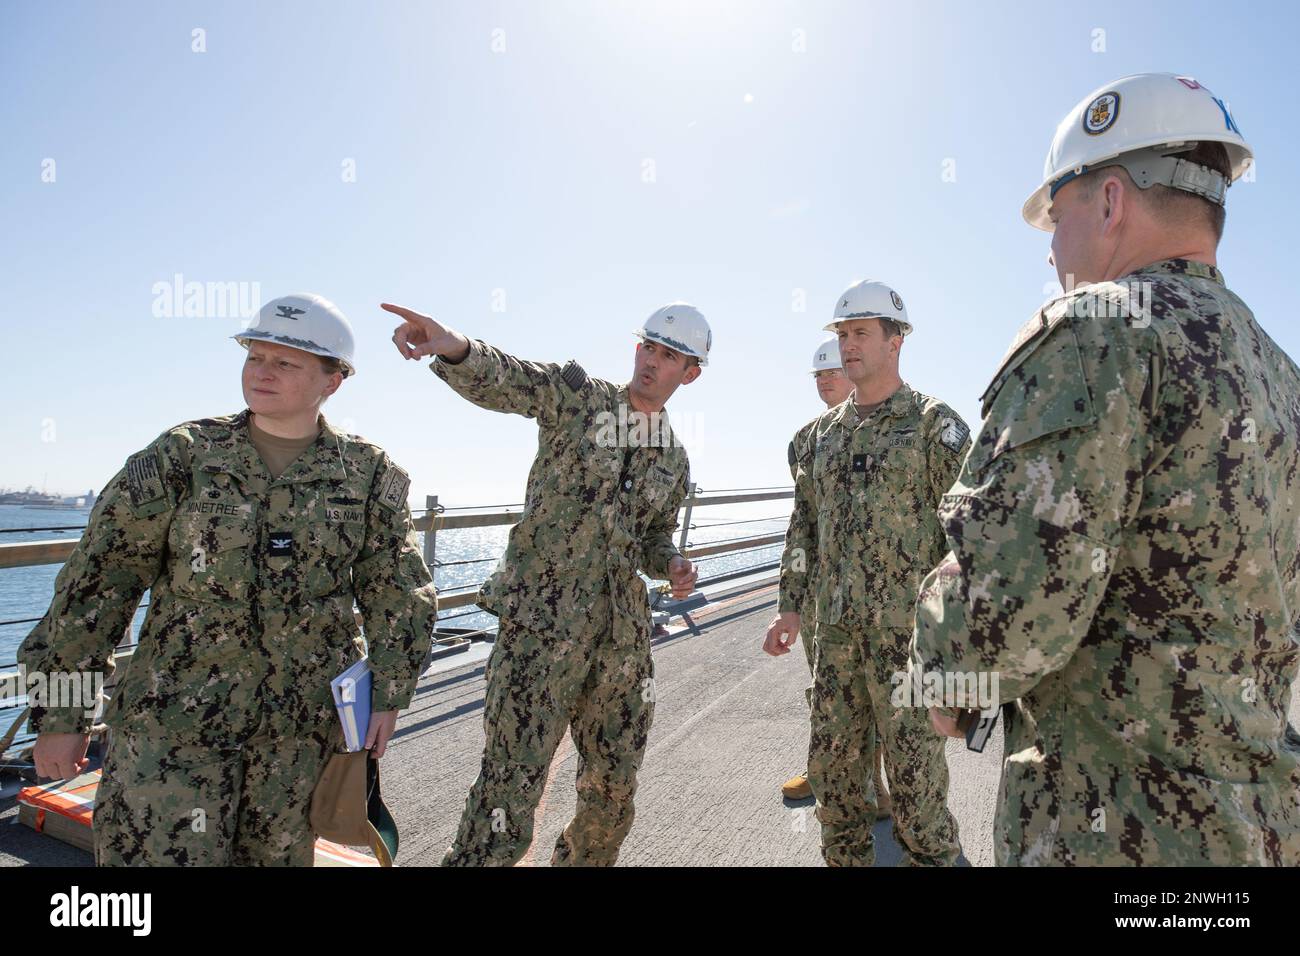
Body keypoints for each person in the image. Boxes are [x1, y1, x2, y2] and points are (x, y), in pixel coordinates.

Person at [911, 73, 1300, 865]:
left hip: (1115, 832)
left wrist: (940, 678)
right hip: (1259, 828)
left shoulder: (1098, 331)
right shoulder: (1278, 372)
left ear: (1112, 201)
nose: (1051, 247)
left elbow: (1000, 617)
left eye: (1058, 217)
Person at [18, 293, 437, 866]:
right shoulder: (182, 456)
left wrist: (390, 692)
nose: (262, 372)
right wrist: (62, 716)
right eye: (254, 357)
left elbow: (399, 591)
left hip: (296, 741)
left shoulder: (368, 474)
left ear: (333, 381)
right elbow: (96, 588)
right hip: (170, 736)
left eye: (285, 363)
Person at [382, 299, 706, 866]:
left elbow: (651, 538)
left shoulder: (673, 459)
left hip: (619, 641)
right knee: (509, 788)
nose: (652, 361)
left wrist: (671, 563)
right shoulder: (580, 400)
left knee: (614, 790)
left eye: (670, 356)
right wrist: (454, 346)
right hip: (540, 629)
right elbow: (513, 381)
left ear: (691, 373)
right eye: (648, 347)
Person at [765, 281, 967, 866]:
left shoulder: (935, 427)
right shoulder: (822, 437)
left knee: (917, 799)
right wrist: (789, 604)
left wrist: (959, 657)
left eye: (861, 334)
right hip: (837, 647)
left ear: (895, 340)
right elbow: (803, 528)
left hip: (910, 650)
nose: (848, 346)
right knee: (839, 794)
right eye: (842, 335)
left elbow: (971, 545)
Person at [780, 336, 891, 821]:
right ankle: (829, 772)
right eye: (818, 374)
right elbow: (803, 522)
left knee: (880, 695)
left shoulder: (890, 426)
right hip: (823, 595)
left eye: (832, 371)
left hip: (876, 595)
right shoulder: (806, 440)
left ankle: (882, 787)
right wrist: (792, 599)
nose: (825, 379)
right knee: (826, 690)